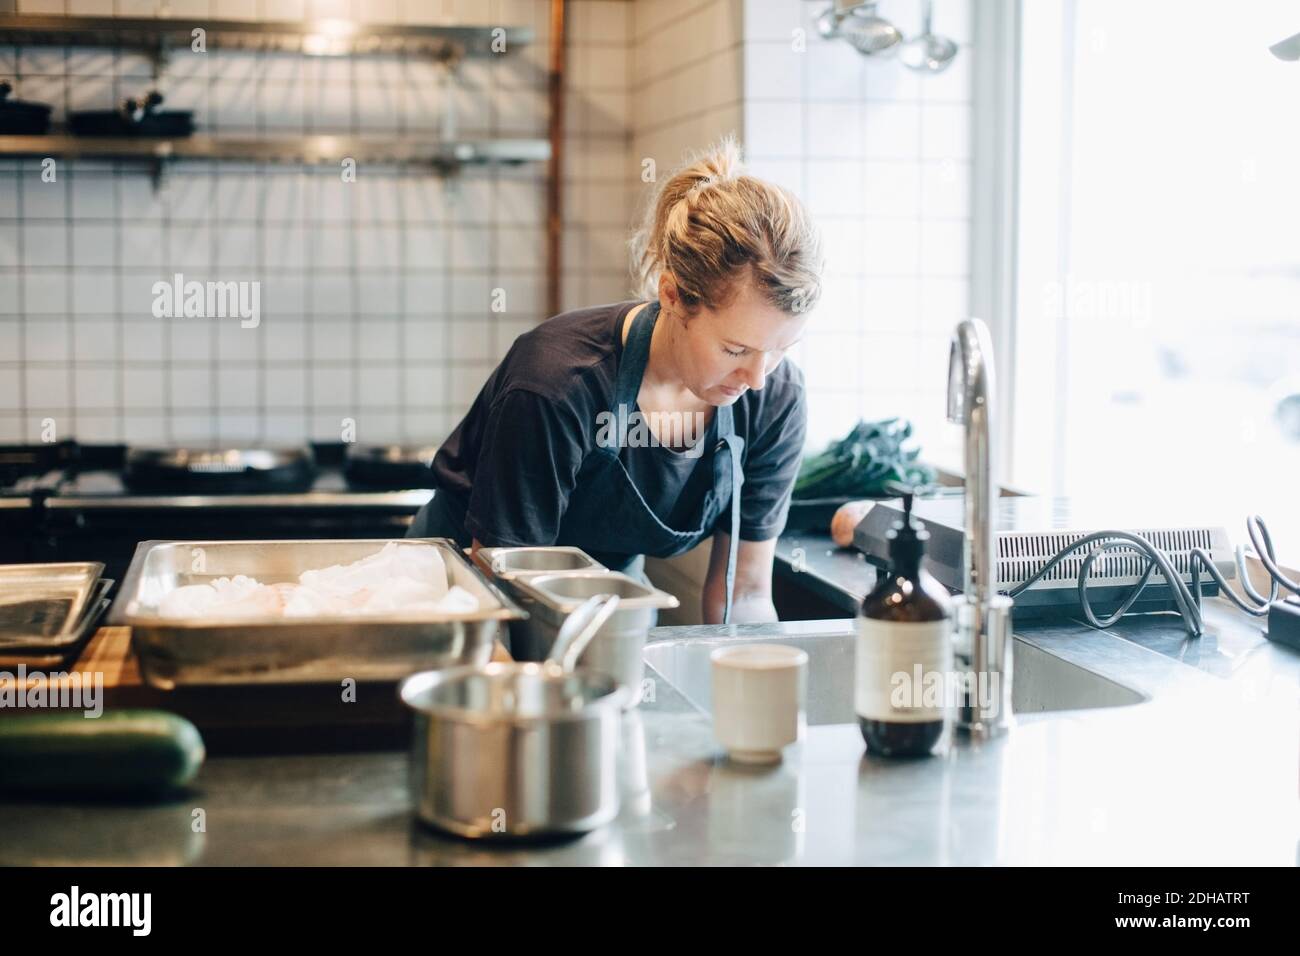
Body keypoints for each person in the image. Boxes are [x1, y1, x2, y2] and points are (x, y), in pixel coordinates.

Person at [408, 139, 823, 624]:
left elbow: (746, 594)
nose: (756, 378)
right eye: (735, 350)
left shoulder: (778, 398)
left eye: (778, 351)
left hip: (608, 603)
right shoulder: (557, 384)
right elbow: (506, 592)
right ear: (671, 295)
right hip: (462, 599)